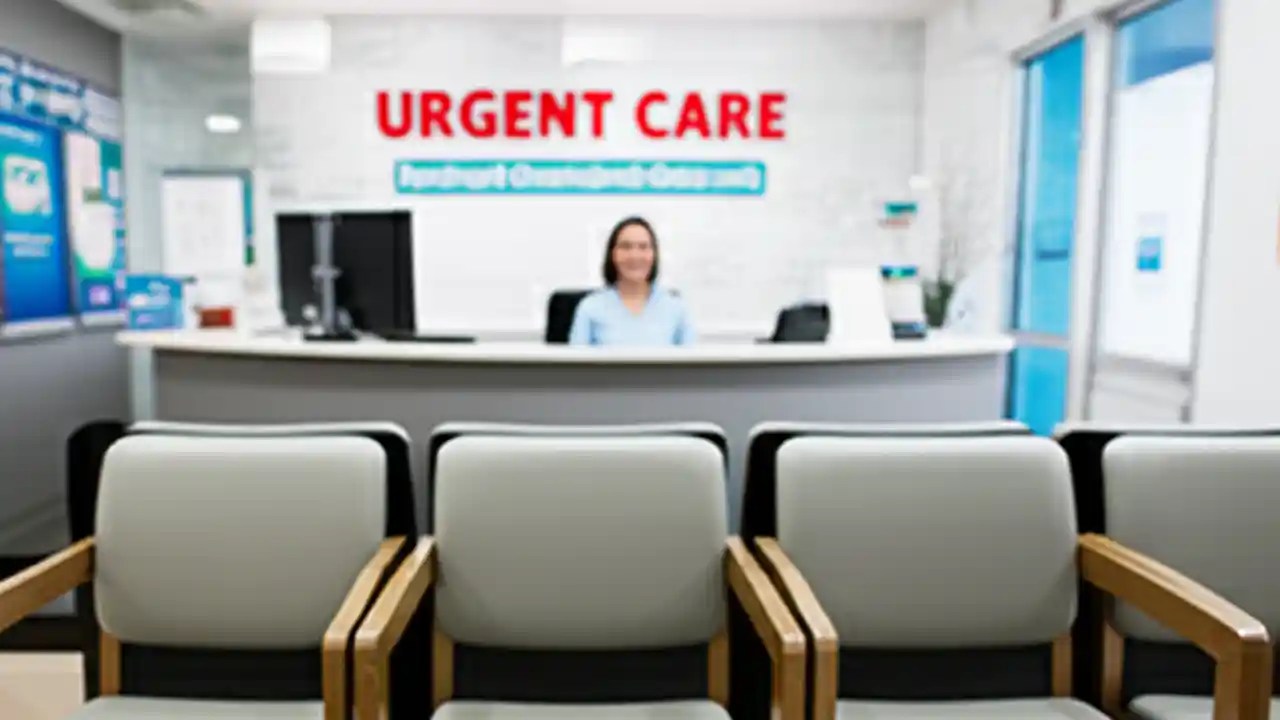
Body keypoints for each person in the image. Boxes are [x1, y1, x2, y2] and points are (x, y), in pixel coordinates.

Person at [568, 216, 695, 347]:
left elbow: (691, 364)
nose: (634, 255)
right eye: (626, 247)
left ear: (654, 255)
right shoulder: (590, 308)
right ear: (613, 255)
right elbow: (574, 366)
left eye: (643, 247)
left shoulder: (676, 309)